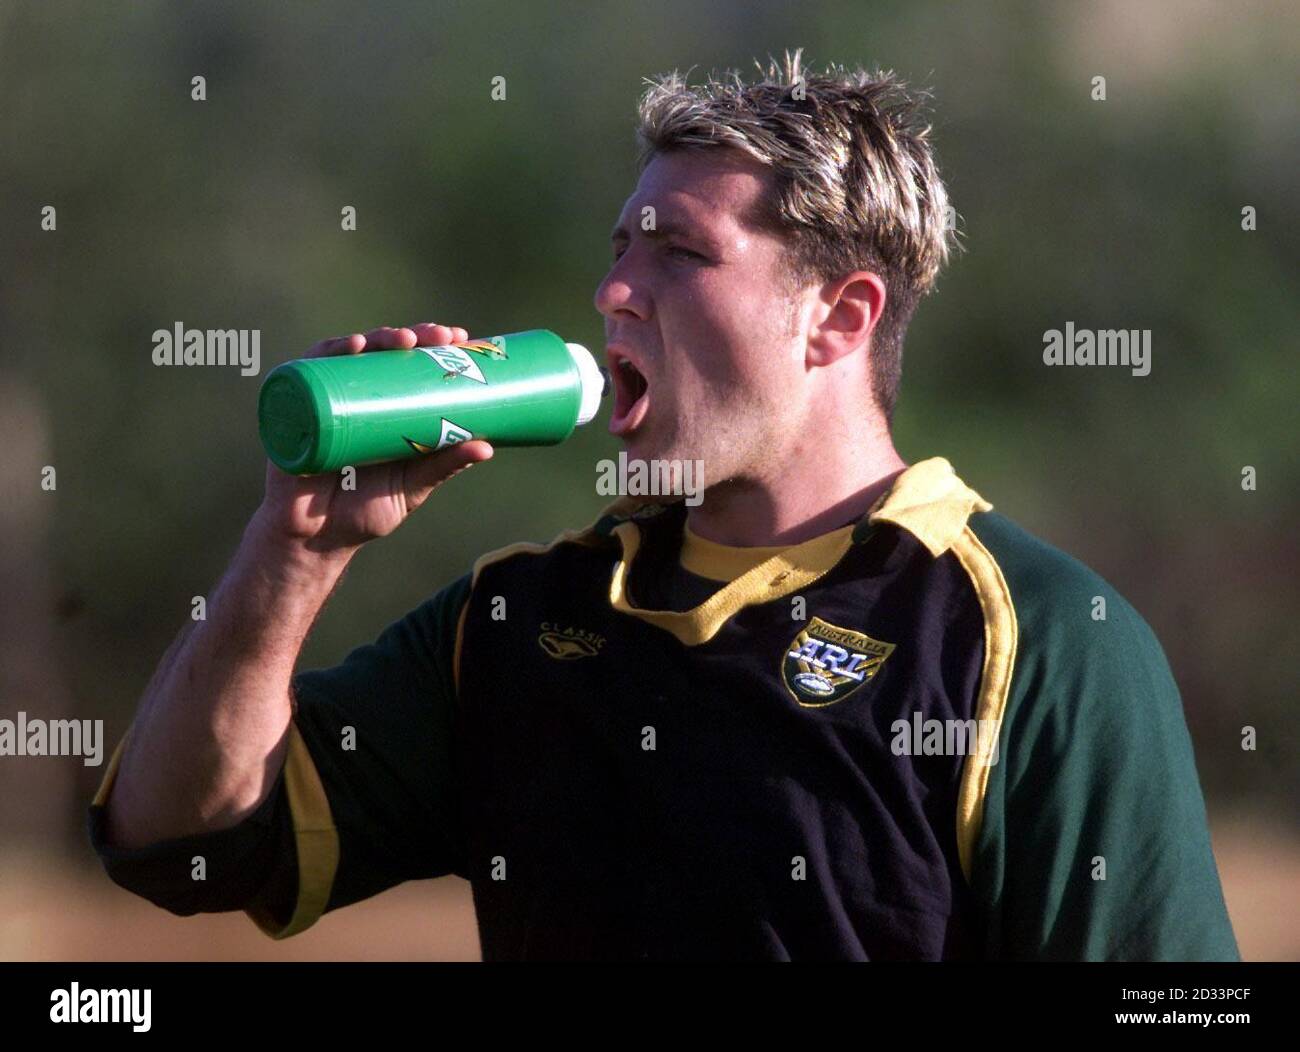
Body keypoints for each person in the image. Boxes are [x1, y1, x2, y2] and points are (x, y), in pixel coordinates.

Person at [89, 51, 1239, 961]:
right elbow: (179, 845)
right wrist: (296, 547)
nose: (611, 290)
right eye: (619, 246)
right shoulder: (518, 618)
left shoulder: (1032, 637)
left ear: (836, 319)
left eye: (679, 253)